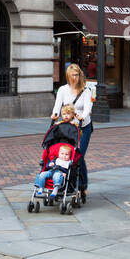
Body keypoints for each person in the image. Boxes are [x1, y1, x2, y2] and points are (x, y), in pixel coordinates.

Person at [52, 63, 94, 202]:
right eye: (72, 76)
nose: (75, 78)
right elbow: (58, 105)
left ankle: (83, 185)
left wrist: (83, 115)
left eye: (77, 75)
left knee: (79, 155)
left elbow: (88, 107)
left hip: (83, 127)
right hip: (68, 128)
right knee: (68, 156)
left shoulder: (85, 91)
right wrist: (55, 114)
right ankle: (66, 185)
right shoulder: (63, 90)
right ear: (68, 77)